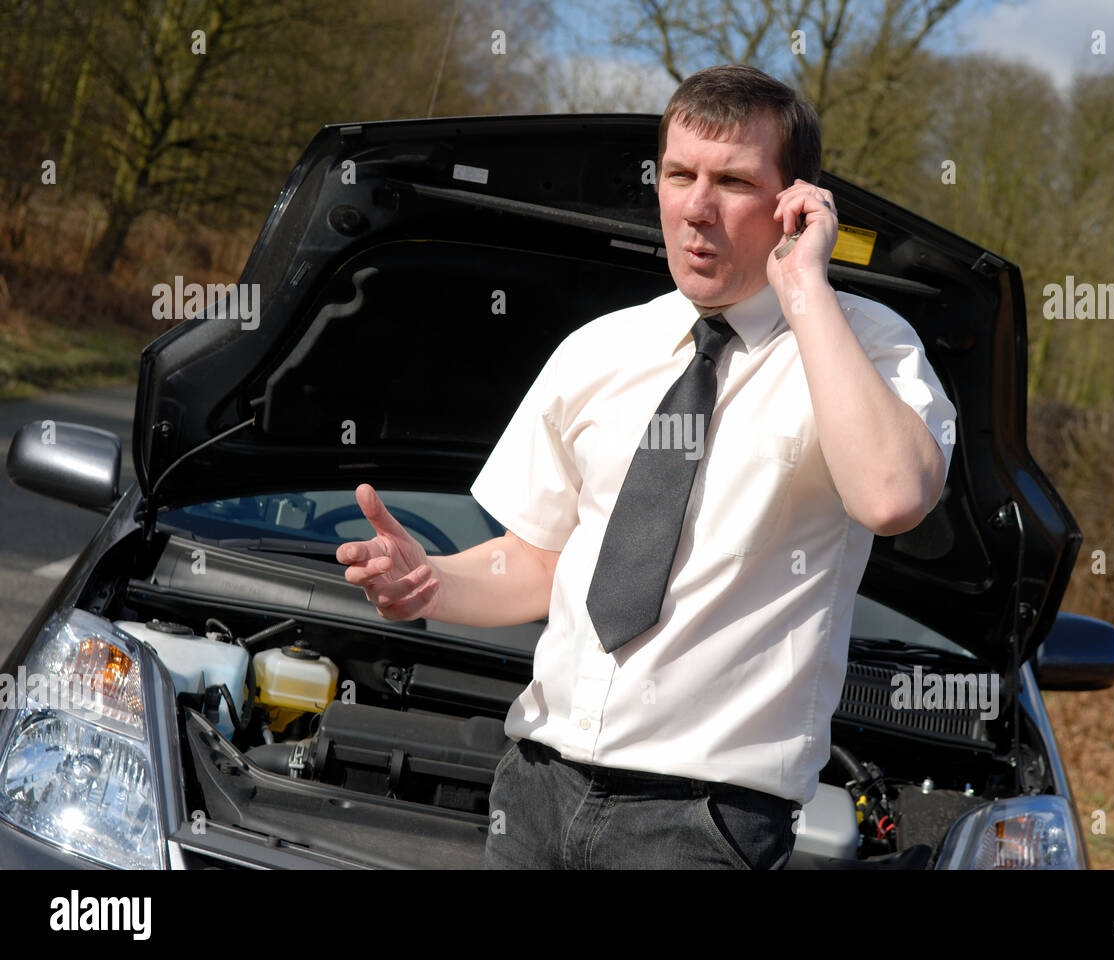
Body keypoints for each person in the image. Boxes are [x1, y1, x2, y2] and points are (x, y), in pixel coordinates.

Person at [335, 63, 956, 869]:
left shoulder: (867, 346)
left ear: (795, 203)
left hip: (702, 824)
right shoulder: (599, 350)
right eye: (678, 174)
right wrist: (430, 583)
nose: (697, 206)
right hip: (532, 791)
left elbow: (892, 495)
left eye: (733, 180)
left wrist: (805, 288)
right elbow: (540, 562)